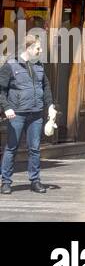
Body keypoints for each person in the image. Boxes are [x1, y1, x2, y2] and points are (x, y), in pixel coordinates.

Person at [0, 32, 57, 194]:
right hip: (17, 113)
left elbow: (46, 87)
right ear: (28, 48)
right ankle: (6, 182)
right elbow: (1, 90)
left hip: (36, 113)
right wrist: (6, 107)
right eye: (38, 49)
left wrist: (50, 105)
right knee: (11, 147)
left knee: (35, 148)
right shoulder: (10, 65)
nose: (40, 52)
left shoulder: (39, 65)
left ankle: (35, 181)